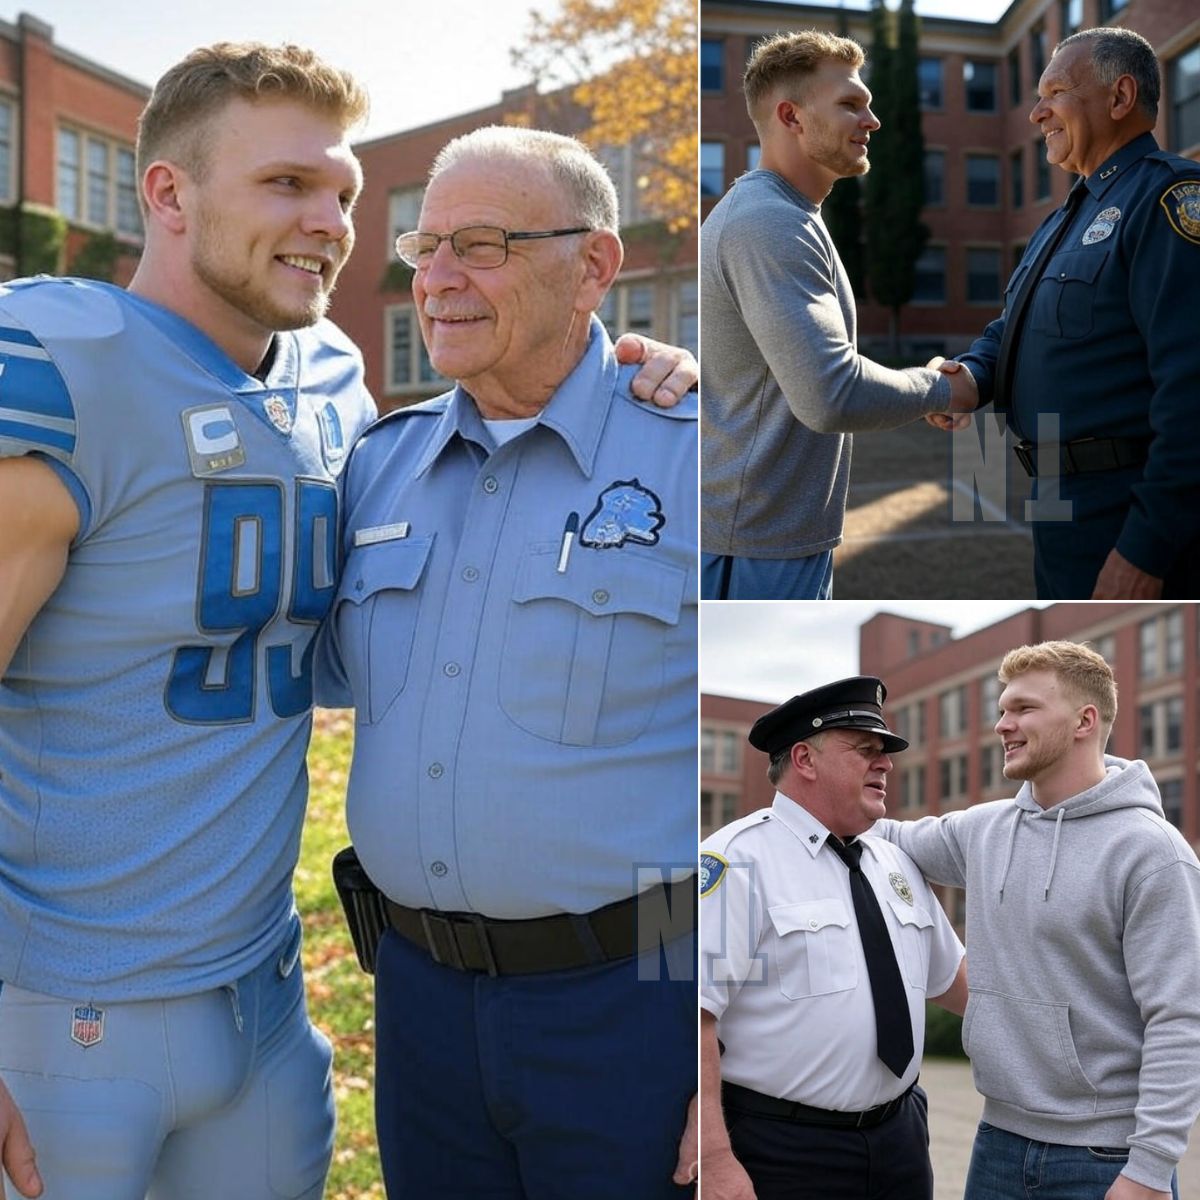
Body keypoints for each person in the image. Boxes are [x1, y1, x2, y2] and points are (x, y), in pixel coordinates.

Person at [0, 43, 698, 1200]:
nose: (333, 224)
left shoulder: (342, 393)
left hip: (274, 1001)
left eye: (347, 196)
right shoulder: (57, 362)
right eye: (287, 185)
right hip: (70, 1009)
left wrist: (636, 384)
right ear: (168, 194)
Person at [316, 125, 697, 1199]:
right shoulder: (375, 471)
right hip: (419, 999)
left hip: (631, 999)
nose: (434, 280)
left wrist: (719, 1044)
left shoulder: (695, 451)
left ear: (596, 265)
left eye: (478, 245)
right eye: (422, 246)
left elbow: (745, 767)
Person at [875, 641, 1200, 1200]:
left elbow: (1181, 1018)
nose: (1003, 724)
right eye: (1002, 710)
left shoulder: (1151, 853)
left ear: (1084, 720)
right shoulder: (984, 829)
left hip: (1106, 1157)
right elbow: (887, 837)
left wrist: (1148, 1171)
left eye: (1023, 709)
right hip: (997, 1142)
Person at [699, 30, 977, 601]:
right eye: (851, 105)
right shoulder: (768, 222)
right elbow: (831, 394)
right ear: (791, 117)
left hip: (767, 533)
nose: (872, 121)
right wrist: (941, 390)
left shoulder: (787, 215)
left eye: (868, 104)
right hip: (755, 545)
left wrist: (915, 388)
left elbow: (819, 372)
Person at [929, 28, 1200, 600]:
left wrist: (1147, 547)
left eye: (1054, 92)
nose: (1035, 113)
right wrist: (971, 377)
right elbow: (1015, 325)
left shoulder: (1167, 199)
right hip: (1056, 499)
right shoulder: (1062, 218)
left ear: (1120, 97)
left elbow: (1192, 390)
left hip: (1124, 506)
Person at [699, 677, 967, 1200]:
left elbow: (955, 982)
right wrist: (713, 1158)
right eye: (865, 749)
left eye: (885, 752)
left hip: (902, 1140)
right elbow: (684, 1017)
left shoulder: (897, 862)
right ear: (804, 759)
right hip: (782, 1149)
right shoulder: (727, 859)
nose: (886, 763)